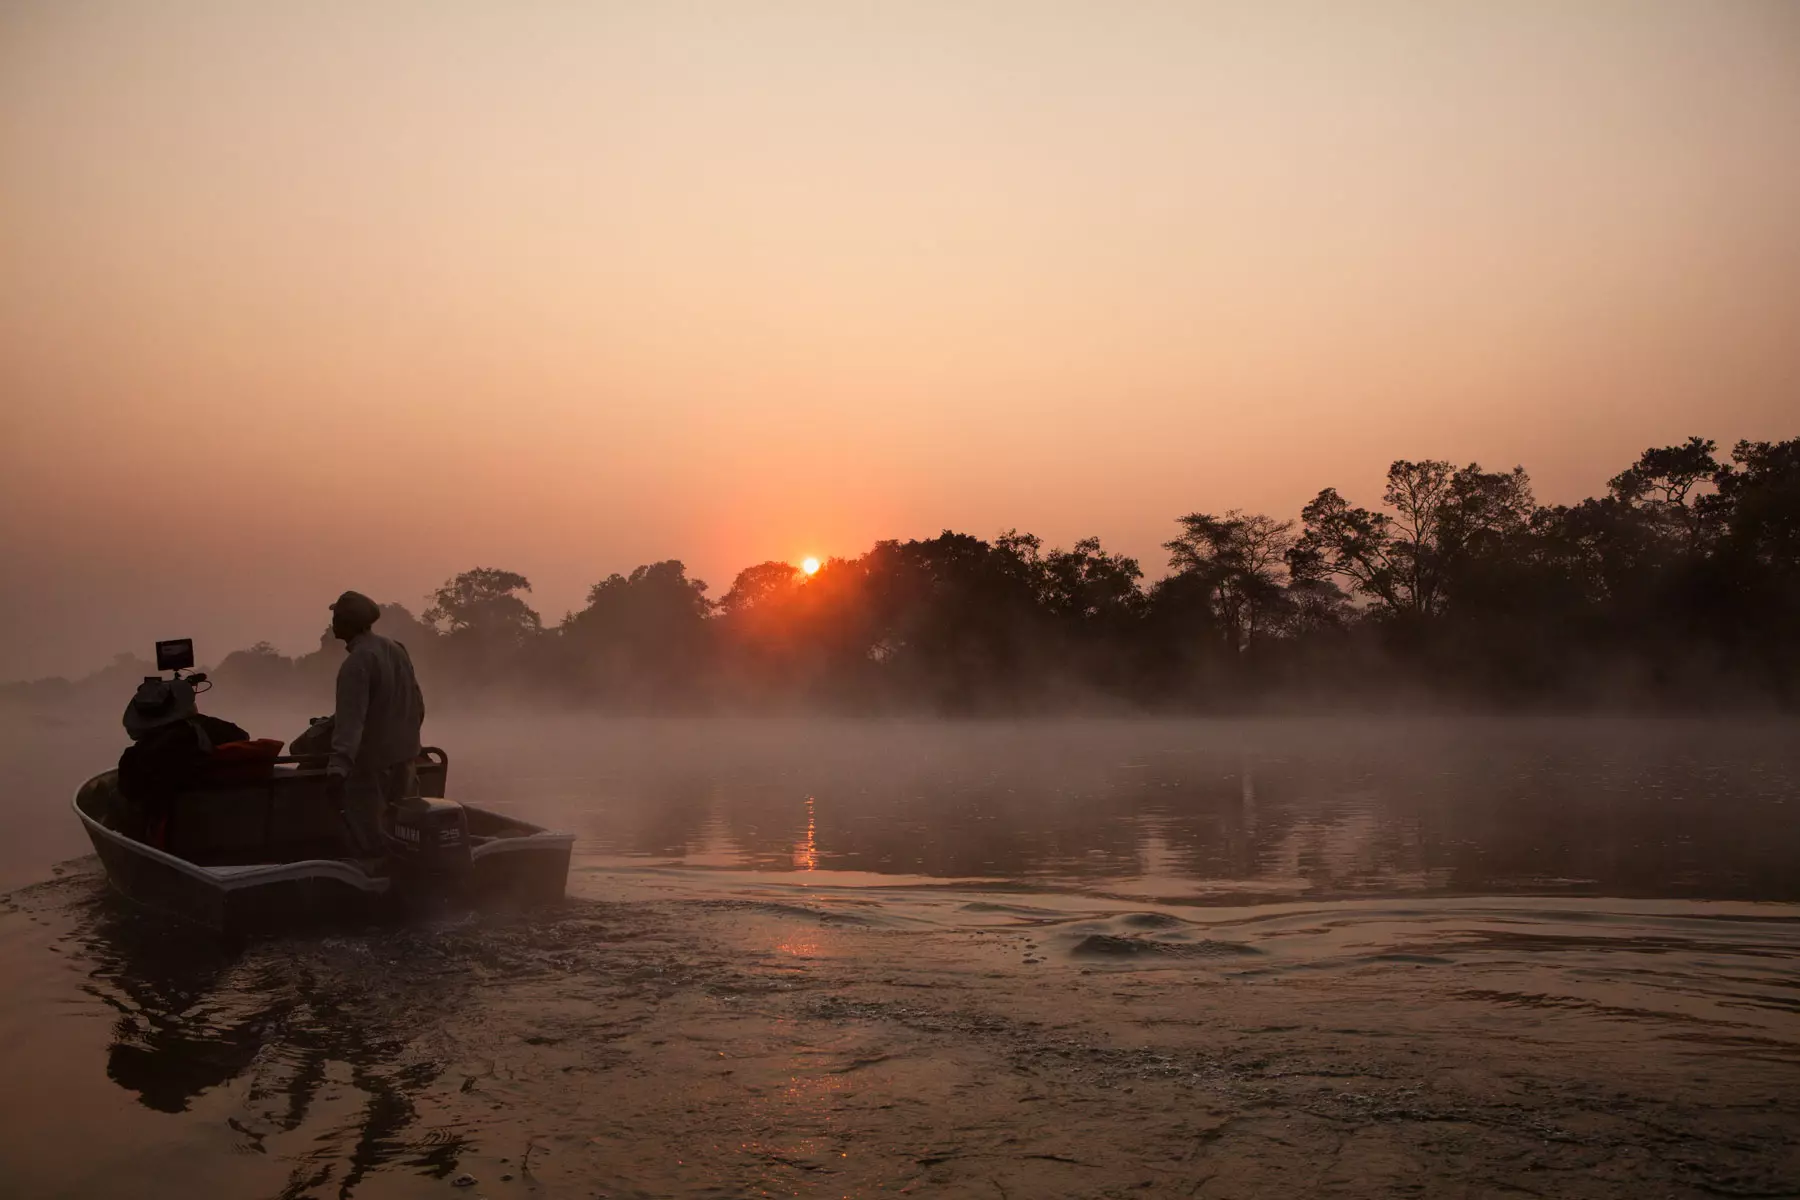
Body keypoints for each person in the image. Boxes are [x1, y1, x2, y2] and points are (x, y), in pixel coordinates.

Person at [324, 590, 426, 857]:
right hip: (405, 762)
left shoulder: (357, 663)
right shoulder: (396, 649)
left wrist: (338, 769)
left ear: (347, 623)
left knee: (371, 841)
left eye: (335, 617)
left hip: (372, 769)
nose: (332, 623)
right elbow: (417, 705)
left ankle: (377, 888)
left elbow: (351, 721)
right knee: (402, 833)